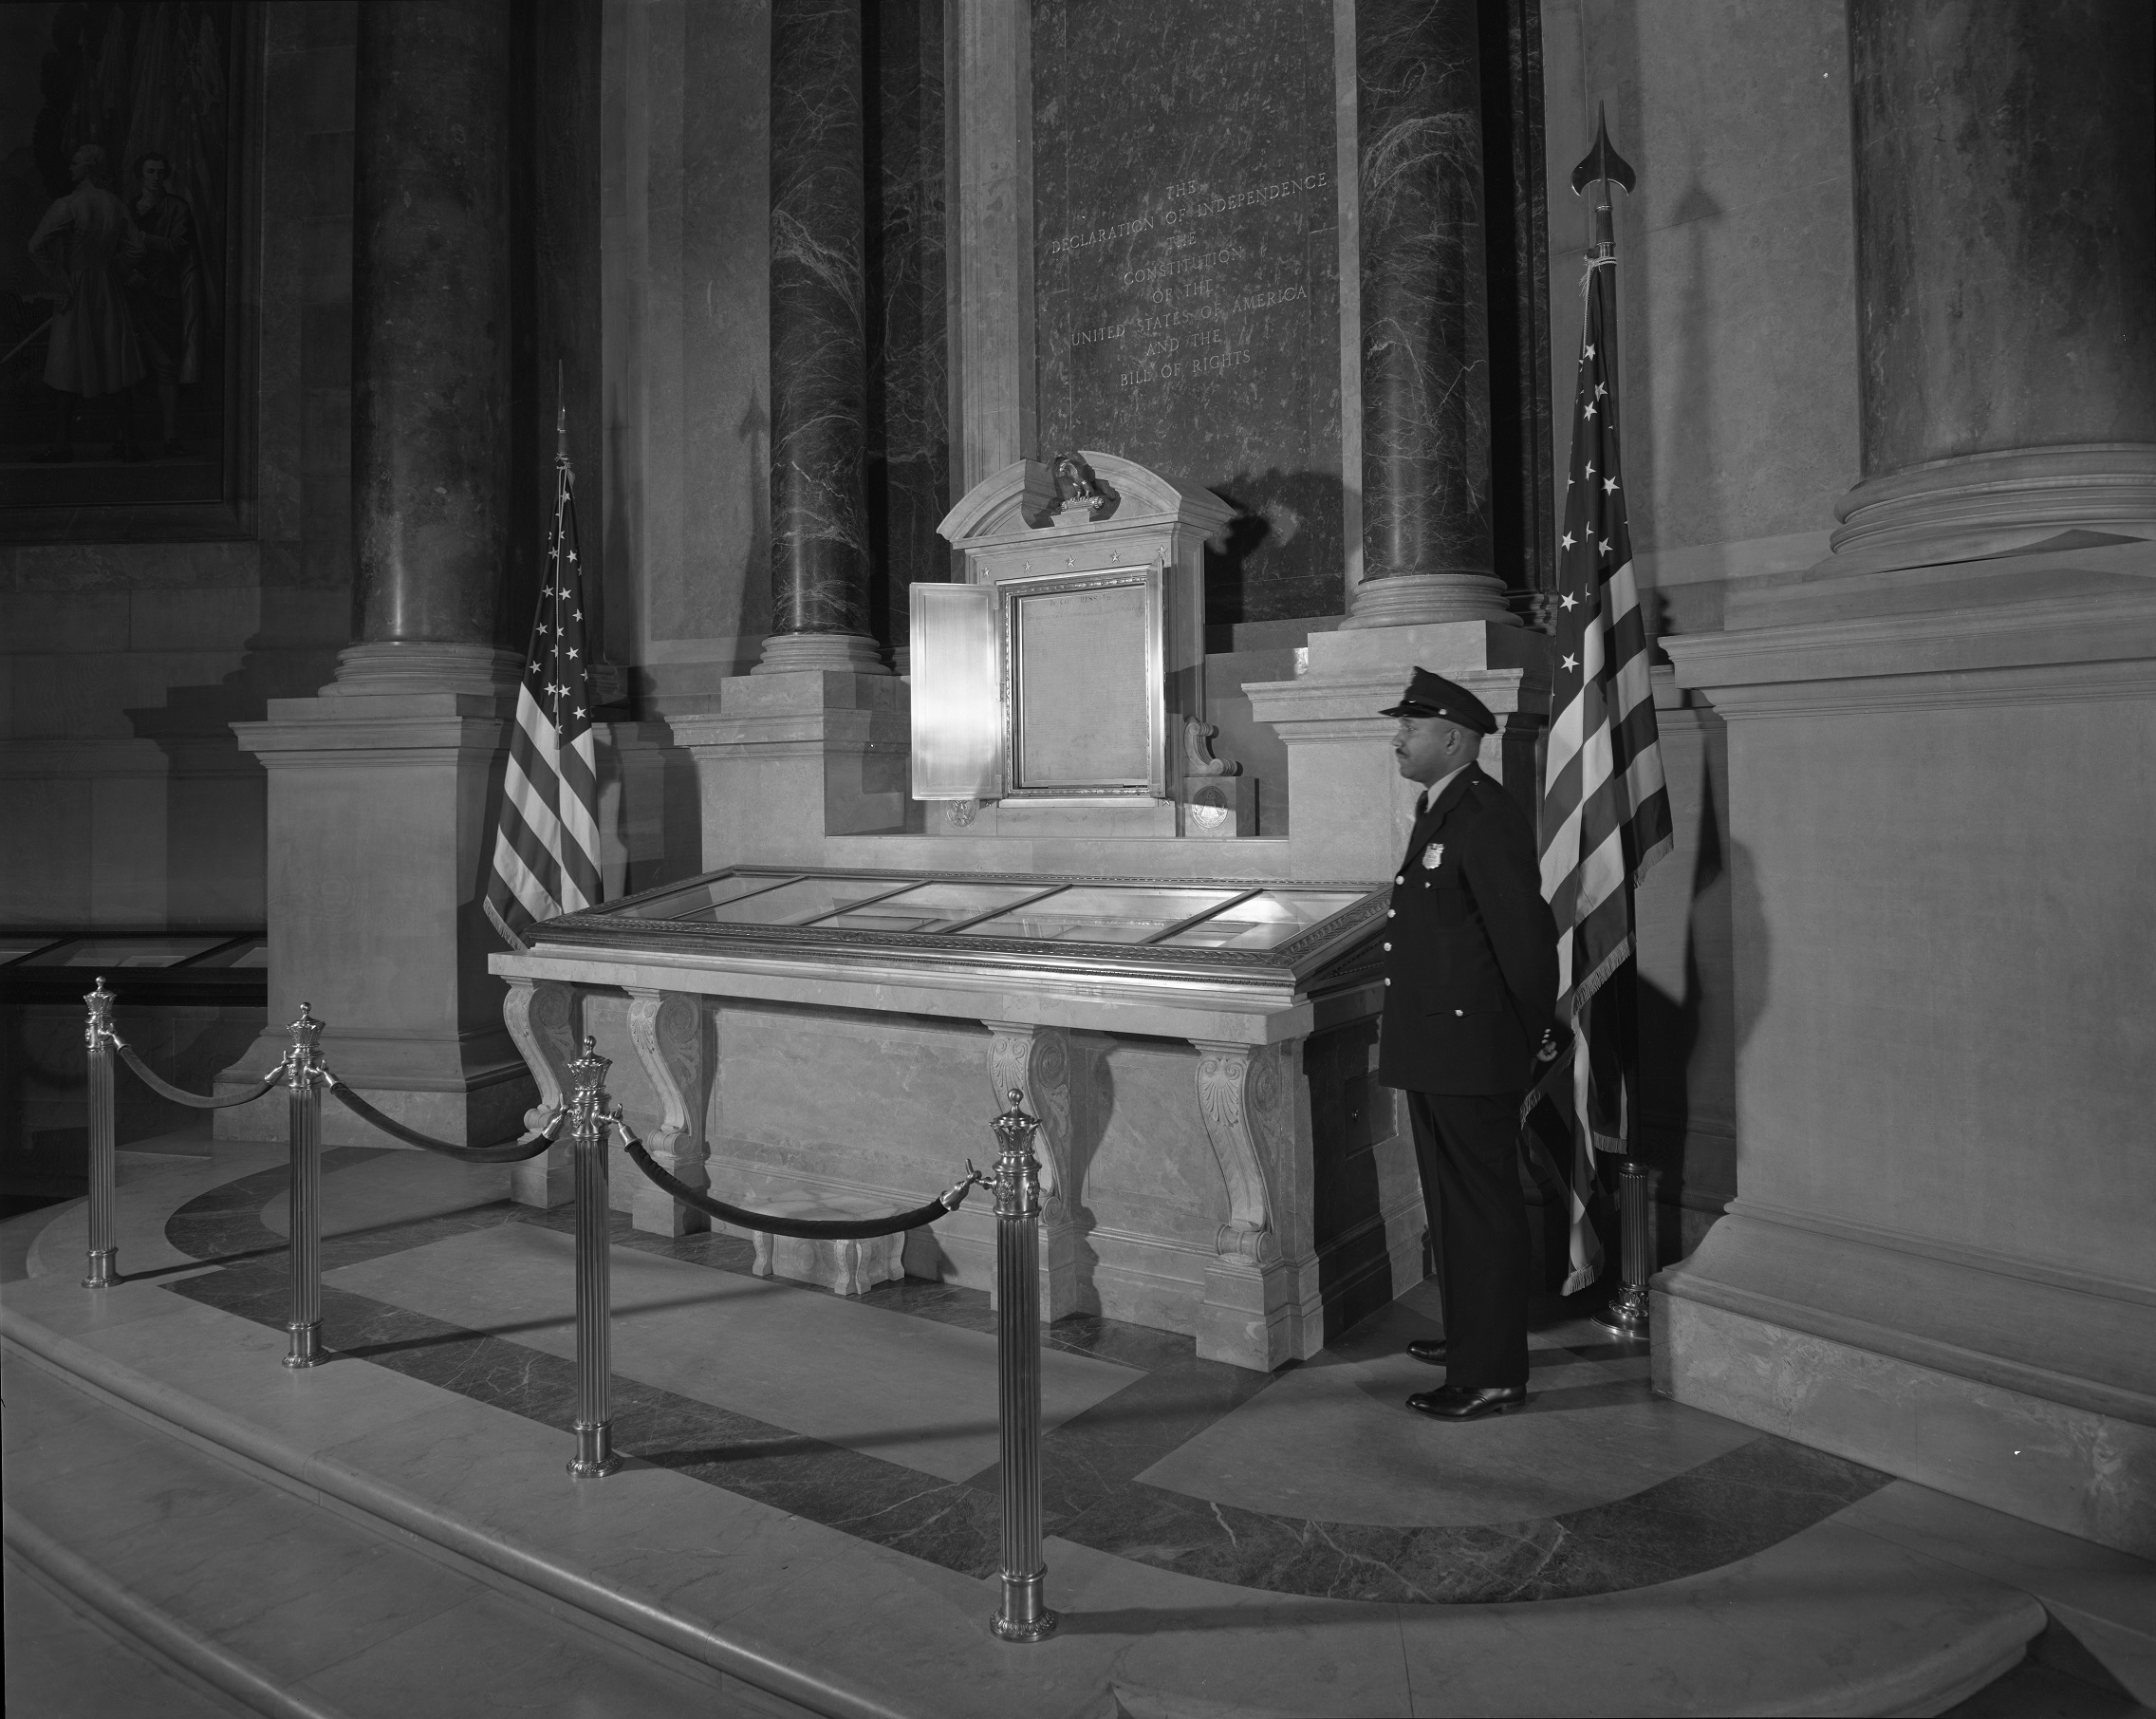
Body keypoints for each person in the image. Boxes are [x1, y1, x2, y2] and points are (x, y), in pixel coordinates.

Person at [1376, 667, 1558, 1422]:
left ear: (1452, 738)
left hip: (1474, 1049)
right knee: (1453, 1208)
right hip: (1440, 1048)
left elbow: (1525, 939)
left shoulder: (1483, 815)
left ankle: (1492, 1373)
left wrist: (1530, 1036)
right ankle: (1472, 1337)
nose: (1398, 739)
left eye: (1410, 729)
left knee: (1480, 1210)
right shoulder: (1440, 810)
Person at [28, 143, 145, 461]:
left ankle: (63, 445)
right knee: (114, 360)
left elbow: (36, 246)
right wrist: (113, 270)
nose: (70, 169)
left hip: (76, 291)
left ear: (89, 168)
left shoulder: (67, 205)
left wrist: (61, 279)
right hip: (107, 291)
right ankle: (128, 444)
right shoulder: (114, 204)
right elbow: (136, 248)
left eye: (76, 164)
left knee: (67, 365)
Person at [126, 150, 201, 455]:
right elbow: (116, 246)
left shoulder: (178, 207)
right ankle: (126, 438)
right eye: (150, 172)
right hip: (131, 294)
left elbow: (178, 247)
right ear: (140, 175)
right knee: (129, 365)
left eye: (160, 172)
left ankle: (171, 436)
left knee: (166, 365)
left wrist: (142, 236)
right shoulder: (128, 208)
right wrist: (129, 272)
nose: (156, 177)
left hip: (165, 295)